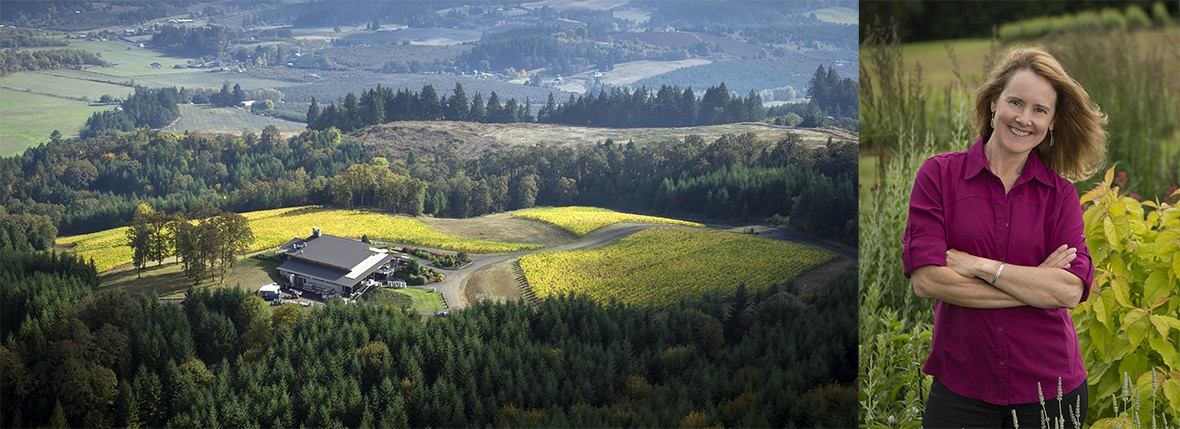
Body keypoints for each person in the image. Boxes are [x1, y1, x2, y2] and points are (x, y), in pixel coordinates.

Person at [902, 47, 1108, 428]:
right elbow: (927, 280)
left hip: (1050, 391)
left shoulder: (1060, 196)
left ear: (1052, 122)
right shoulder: (939, 177)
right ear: (994, 102)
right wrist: (1034, 285)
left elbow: (1068, 291)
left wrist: (980, 266)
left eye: (1039, 110)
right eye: (1016, 102)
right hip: (961, 389)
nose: (1024, 119)